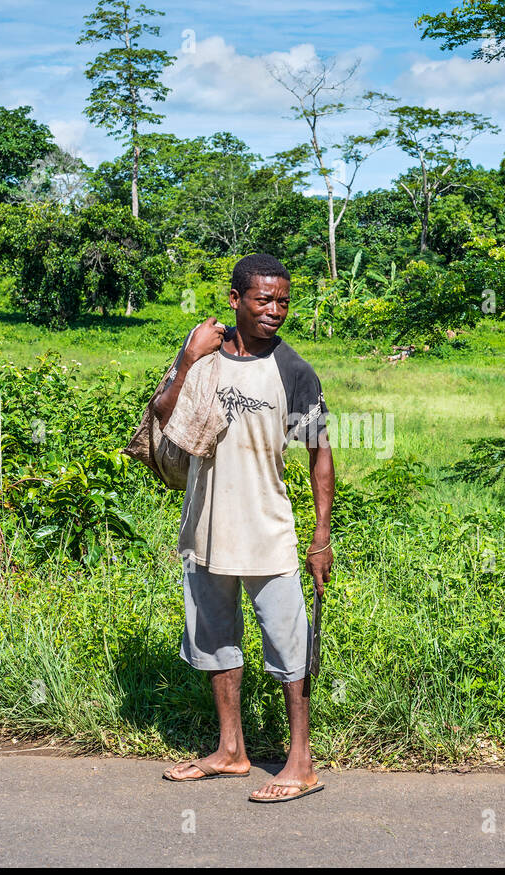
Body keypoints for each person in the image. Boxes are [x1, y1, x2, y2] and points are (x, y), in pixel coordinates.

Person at [153, 253, 334, 802]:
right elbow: (162, 412)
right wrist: (186, 359)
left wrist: (321, 538)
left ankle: (301, 763)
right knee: (215, 643)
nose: (276, 310)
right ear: (236, 300)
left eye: (283, 300)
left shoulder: (294, 371)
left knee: (290, 646)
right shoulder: (203, 355)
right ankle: (231, 751)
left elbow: (320, 455)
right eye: (264, 300)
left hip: (268, 531)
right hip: (205, 530)